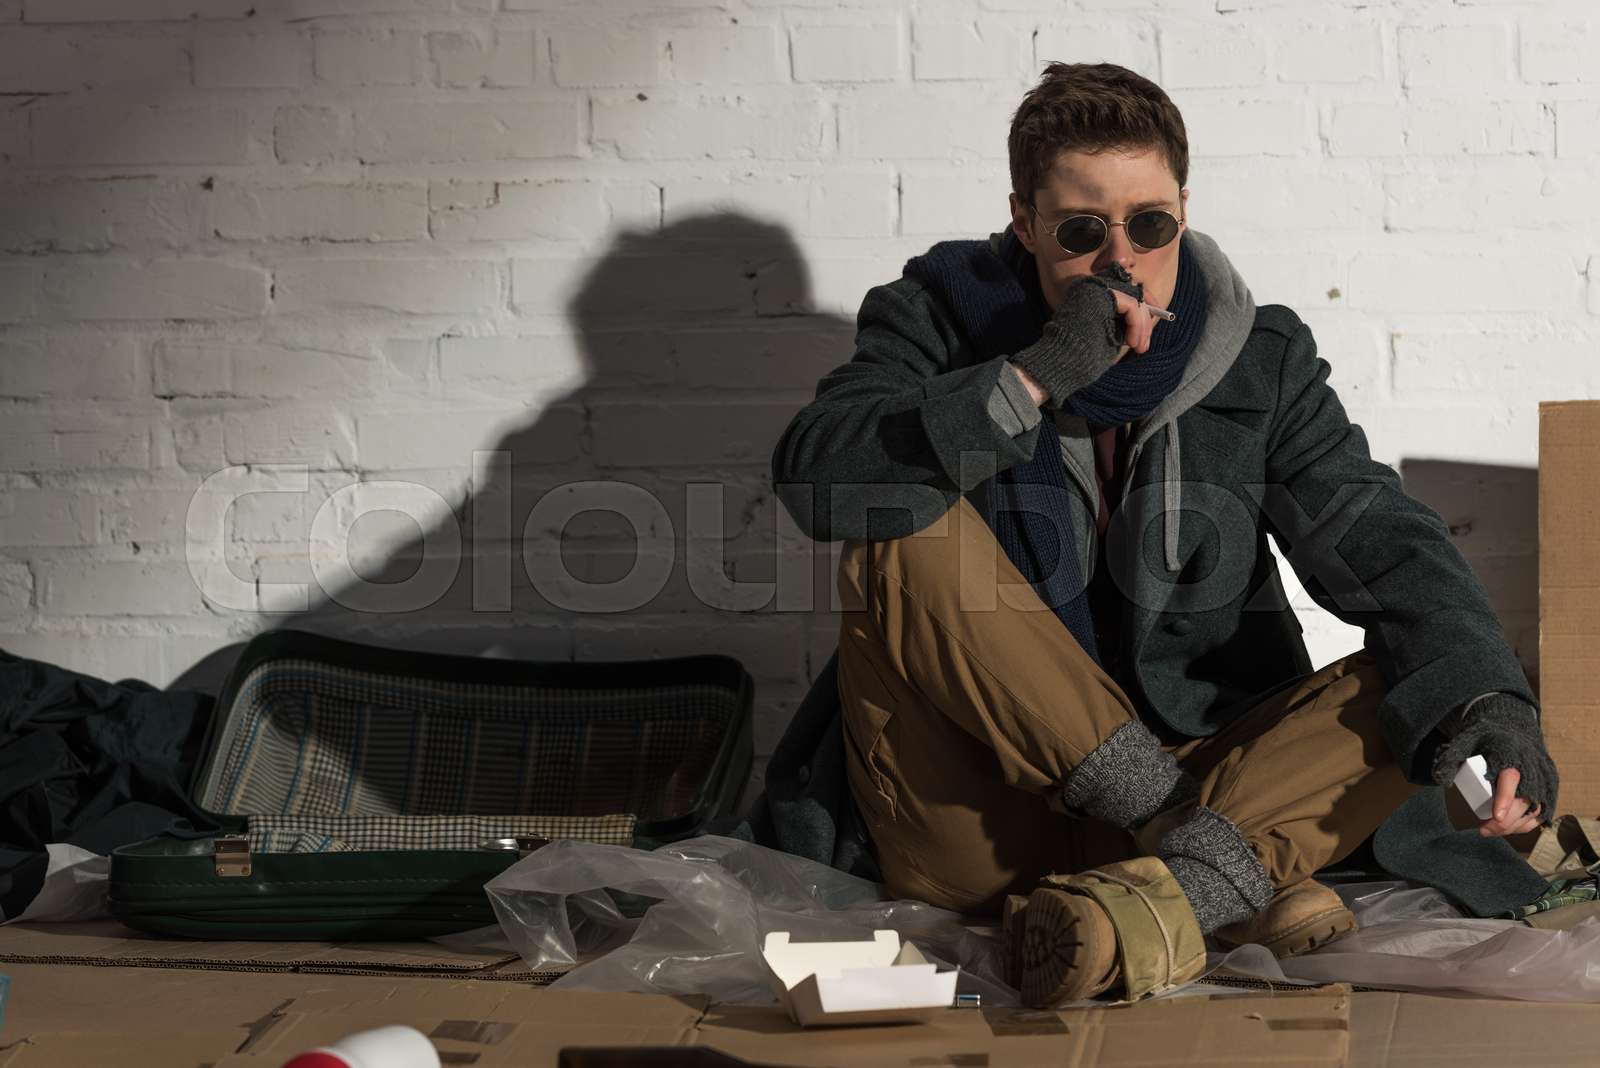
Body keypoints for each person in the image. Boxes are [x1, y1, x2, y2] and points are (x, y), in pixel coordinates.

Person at [759, 62, 1560, 1006]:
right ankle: (1217, 878)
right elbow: (818, 477)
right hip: (980, 808)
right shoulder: (936, 318)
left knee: (1424, 676)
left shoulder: (1261, 357)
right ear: (1024, 224)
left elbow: (1379, 535)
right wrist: (1031, 379)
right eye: (1081, 231)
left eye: (1149, 225)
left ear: (1183, 208)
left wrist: (1494, 710)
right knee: (894, 519)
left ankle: (1133, 904)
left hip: (1212, 769)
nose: (1121, 260)